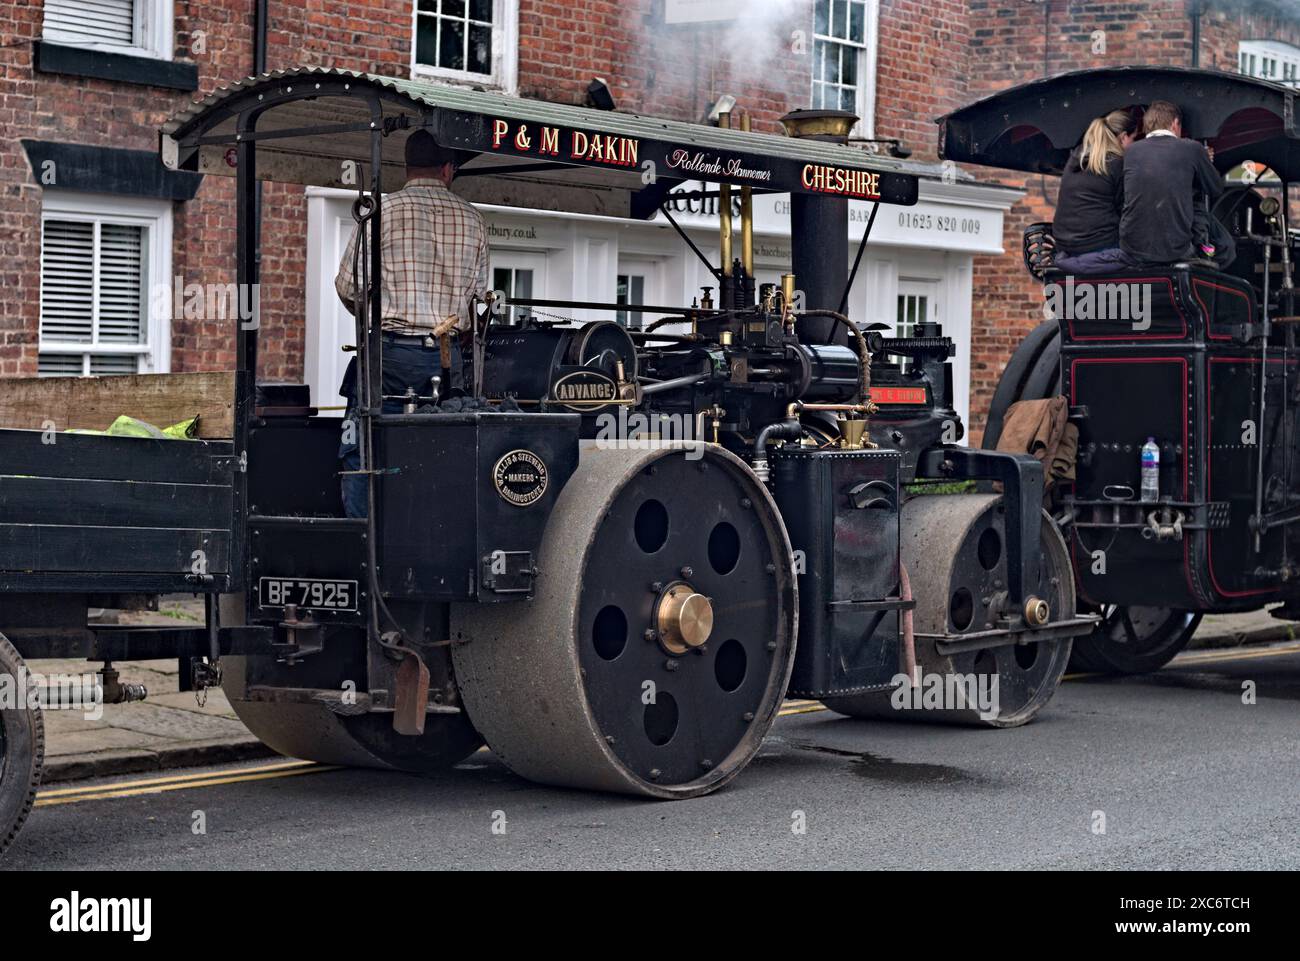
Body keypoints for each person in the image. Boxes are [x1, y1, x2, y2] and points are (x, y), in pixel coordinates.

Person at [334, 130, 488, 517]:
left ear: (405, 167)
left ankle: (363, 546)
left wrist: (373, 311)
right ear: (448, 170)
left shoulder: (380, 215)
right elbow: (476, 306)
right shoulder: (473, 221)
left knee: (364, 451)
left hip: (388, 354)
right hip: (446, 361)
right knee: (436, 454)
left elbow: (348, 286)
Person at [1119, 100, 1235, 270]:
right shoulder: (1192, 148)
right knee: (1226, 248)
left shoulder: (1130, 151)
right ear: (1174, 124)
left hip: (1133, 247)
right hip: (1176, 249)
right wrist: (1203, 161)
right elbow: (1215, 188)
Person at [1052, 108, 1140, 274]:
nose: (1134, 145)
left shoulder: (1076, 157)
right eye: (1134, 139)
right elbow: (1126, 210)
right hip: (1096, 244)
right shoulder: (1118, 164)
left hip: (1064, 244)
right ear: (1123, 137)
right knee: (1140, 253)